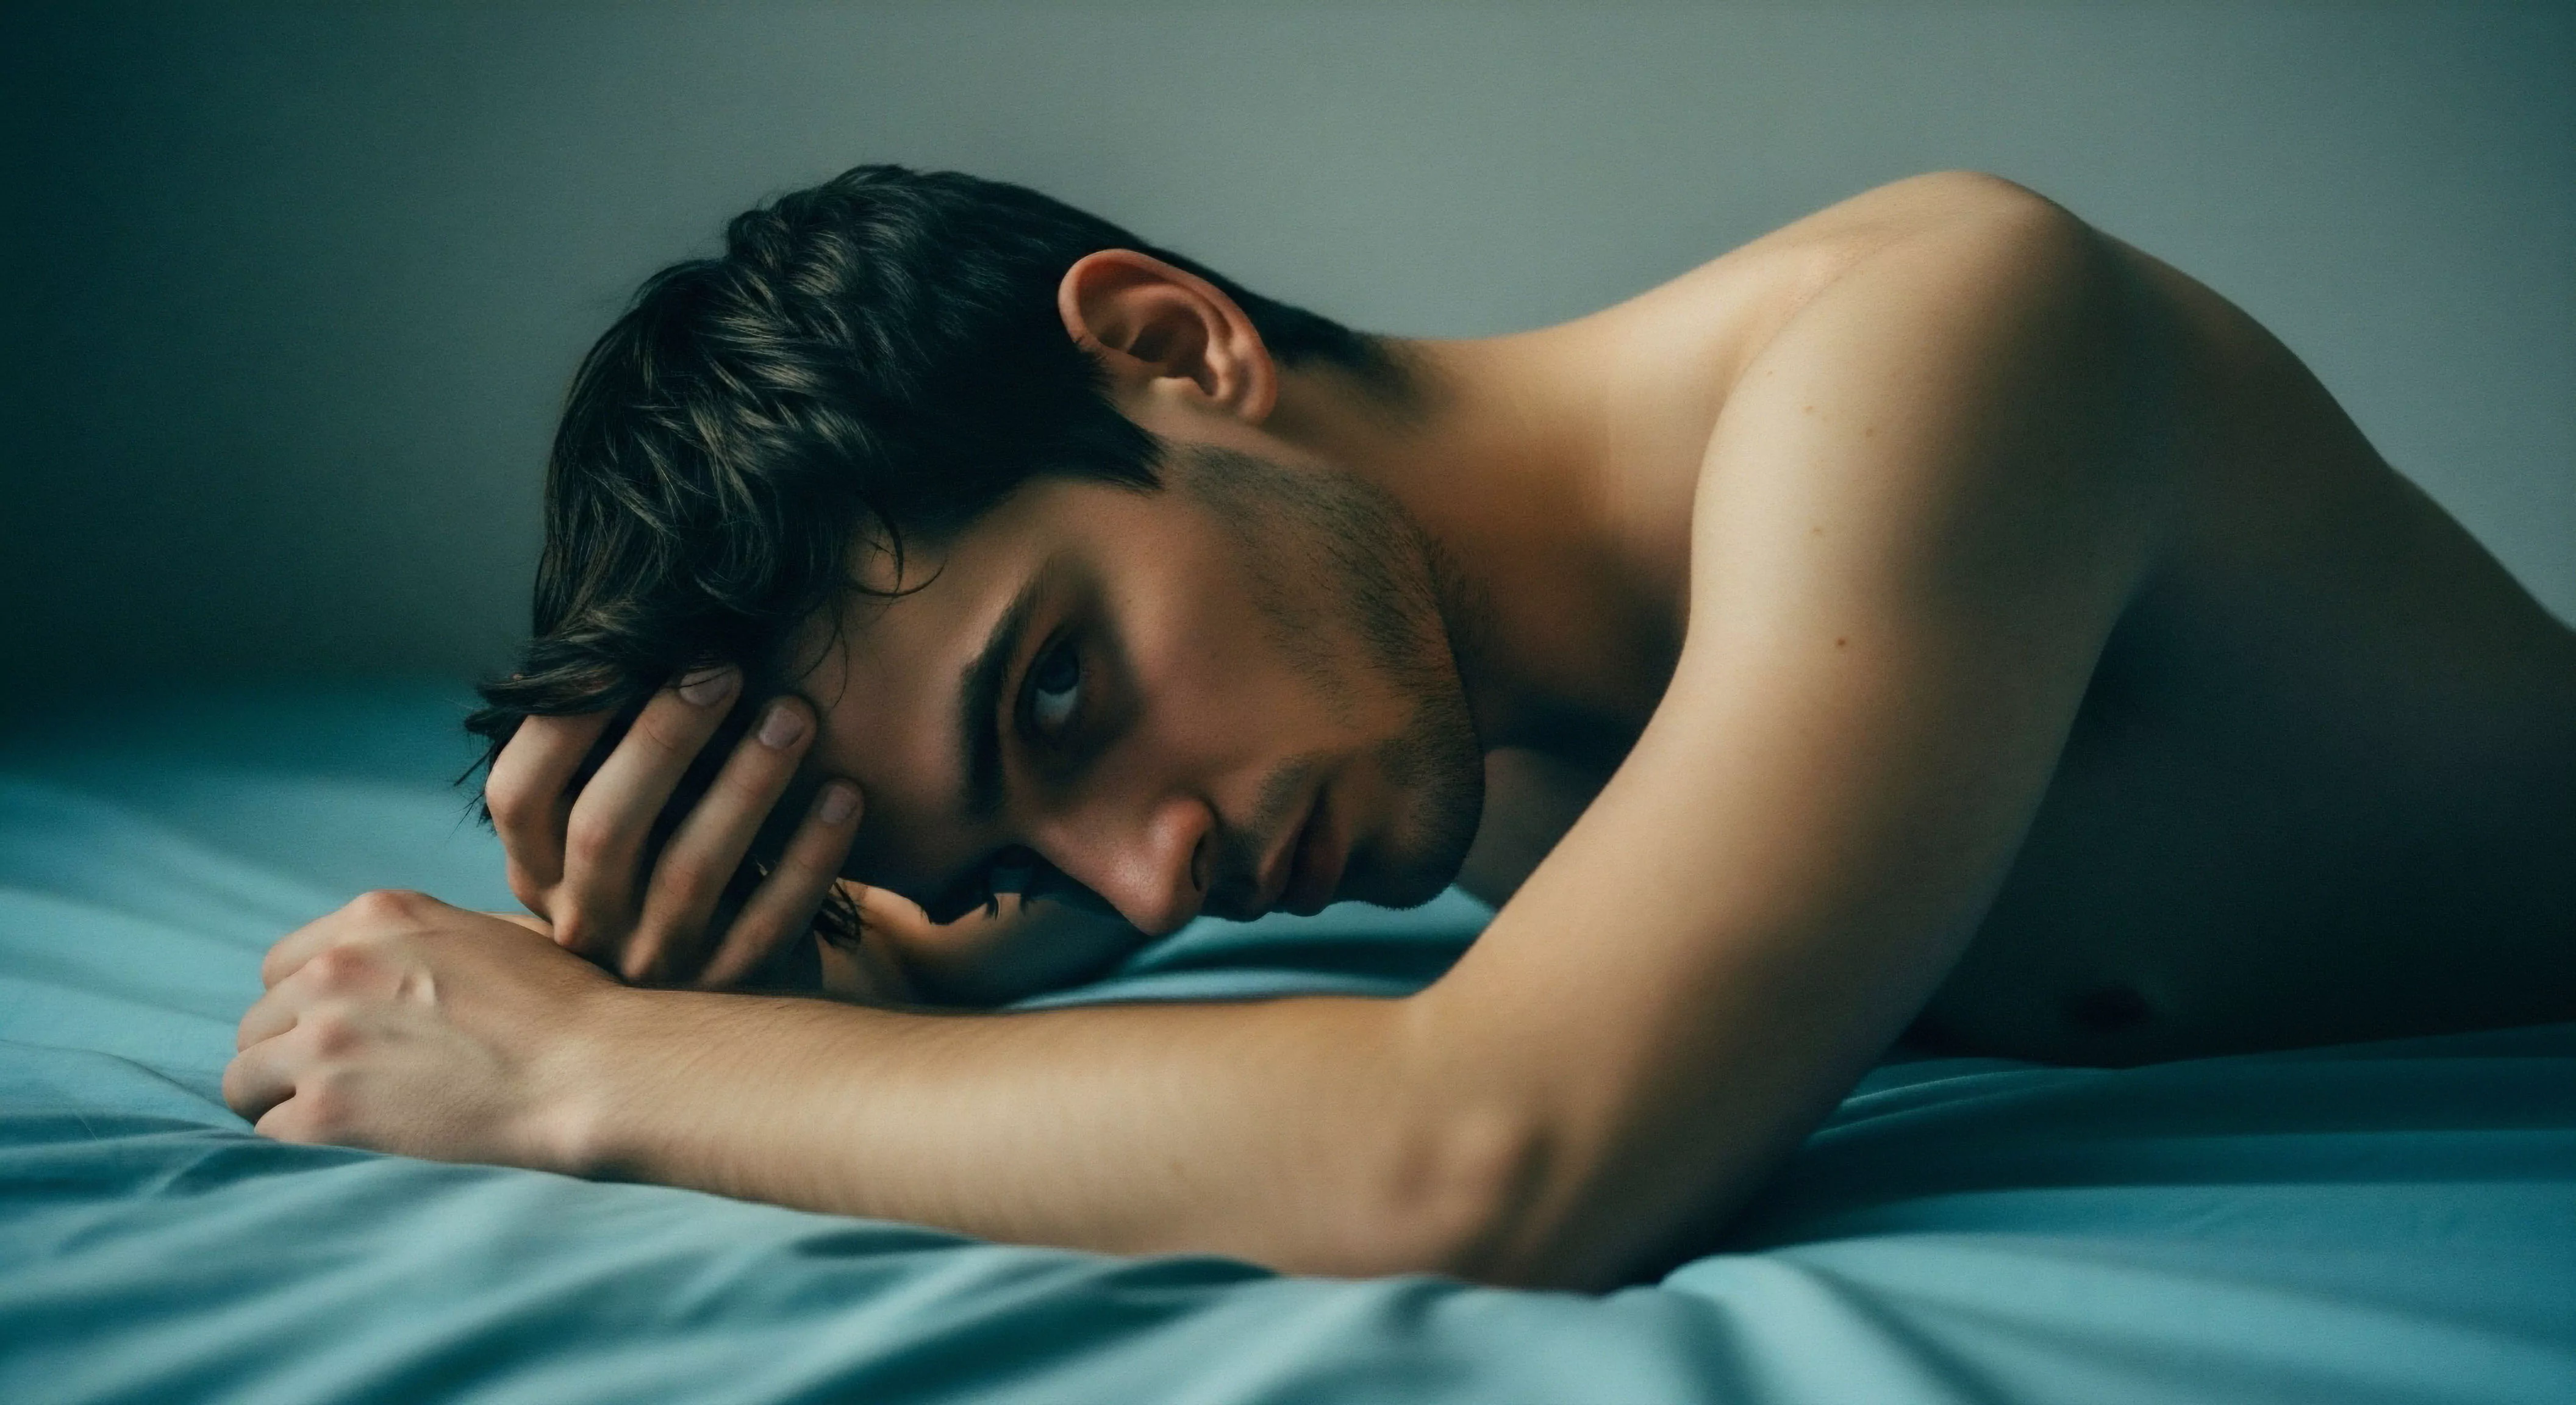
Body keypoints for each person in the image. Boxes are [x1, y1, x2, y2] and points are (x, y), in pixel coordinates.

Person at [222, 165, 2576, 1290]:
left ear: (1171, 342)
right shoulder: (1345, 735)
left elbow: (1508, 1156)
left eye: (1063, 686)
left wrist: (578, 1073)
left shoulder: (1937, 346)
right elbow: (926, 983)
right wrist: (687, 938)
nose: (1150, 885)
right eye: (1021, 853)